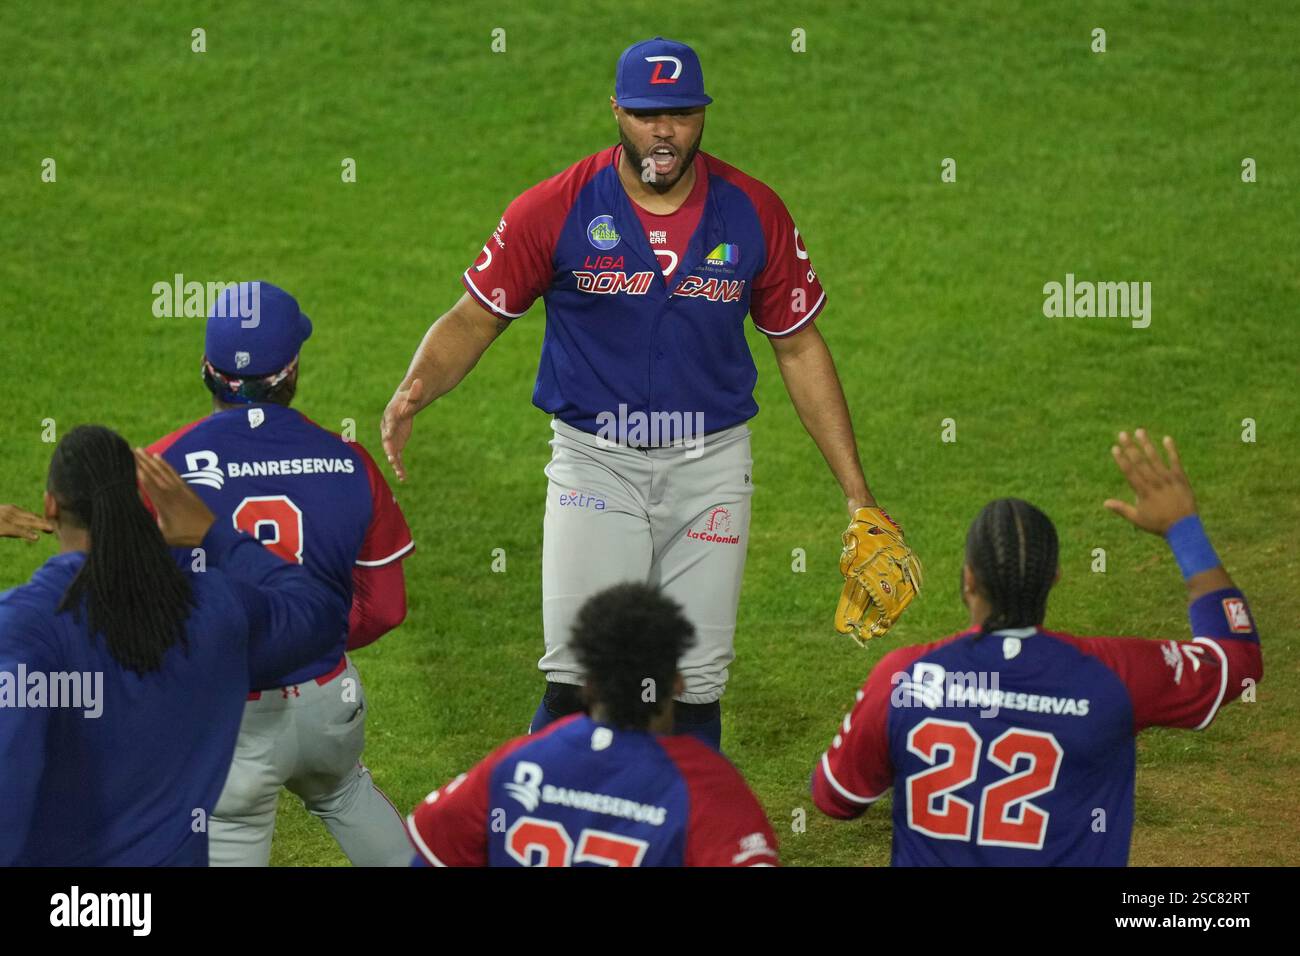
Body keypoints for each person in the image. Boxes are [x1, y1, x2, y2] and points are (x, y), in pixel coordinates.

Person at [381, 37, 903, 749]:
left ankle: (692, 839)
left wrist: (858, 494)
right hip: (596, 464)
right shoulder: (555, 207)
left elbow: (798, 343)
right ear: (617, 112)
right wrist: (418, 386)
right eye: (648, 114)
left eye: (682, 114)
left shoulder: (754, 212)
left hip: (712, 467)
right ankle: (531, 833)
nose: (665, 132)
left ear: (702, 117)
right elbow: (476, 315)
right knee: (576, 679)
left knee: (695, 683)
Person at [811, 430, 1263, 865]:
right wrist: (1184, 530)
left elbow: (835, 797)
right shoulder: (1115, 676)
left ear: (969, 580)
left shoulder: (905, 679)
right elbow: (1237, 661)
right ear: (1054, 580)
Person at [147, 281, 415, 867]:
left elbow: (131, 612)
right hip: (328, 706)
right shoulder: (348, 461)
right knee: (347, 795)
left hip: (228, 715)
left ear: (206, 369)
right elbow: (387, 607)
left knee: (232, 828)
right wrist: (308, 632)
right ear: (291, 371)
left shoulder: (160, 468)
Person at [0, 427, 346, 865]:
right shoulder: (214, 611)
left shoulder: (24, 626)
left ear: (51, 506)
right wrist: (211, 534)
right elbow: (317, 612)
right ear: (136, 504)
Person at [407, 583, 778, 867]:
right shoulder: (706, 784)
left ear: (588, 683)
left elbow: (429, 844)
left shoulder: (517, 764)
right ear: (678, 680)